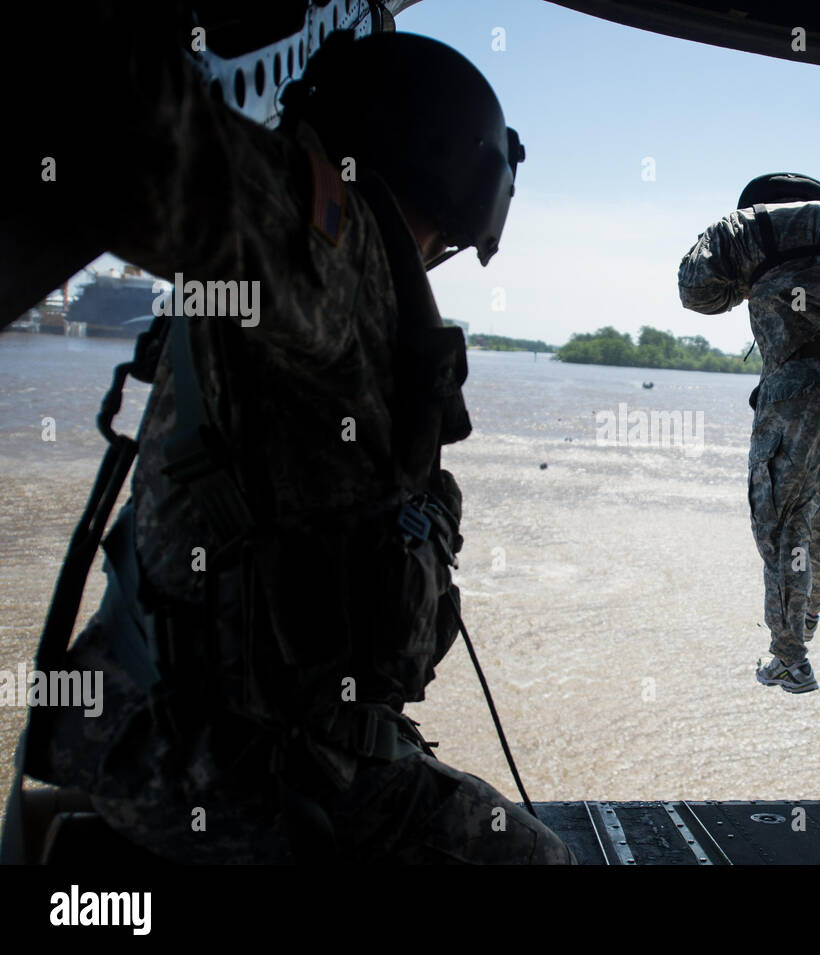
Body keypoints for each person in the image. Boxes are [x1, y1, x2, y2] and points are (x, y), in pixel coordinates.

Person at [11, 15, 574, 863]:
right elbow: (131, 134)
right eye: (444, 243)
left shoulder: (295, 285)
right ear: (458, 190)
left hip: (139, 732)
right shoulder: (335, 248)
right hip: (233, 770)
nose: (429, 262)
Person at [678, 173, 820, 693]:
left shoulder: (742, 226)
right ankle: (807, 622)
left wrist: (749, 281)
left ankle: (789, 657)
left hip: (796, 389)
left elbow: (695, 292)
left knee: (780, 522)